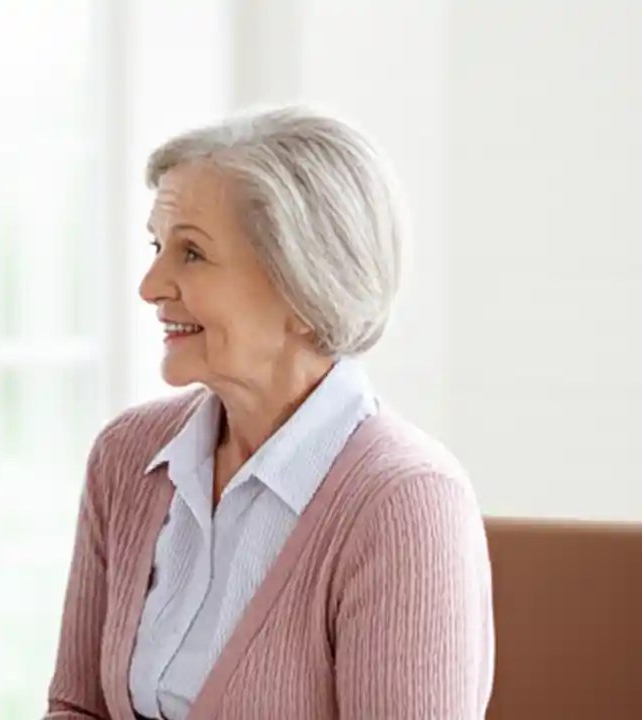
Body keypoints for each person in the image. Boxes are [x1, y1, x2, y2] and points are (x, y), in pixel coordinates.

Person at [46, 107, 494, 719]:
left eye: (192, 254)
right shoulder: (127, 457)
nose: (151, 284)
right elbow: (79, 708)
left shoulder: (406, 503)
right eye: (158, 246)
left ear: (305, 288)